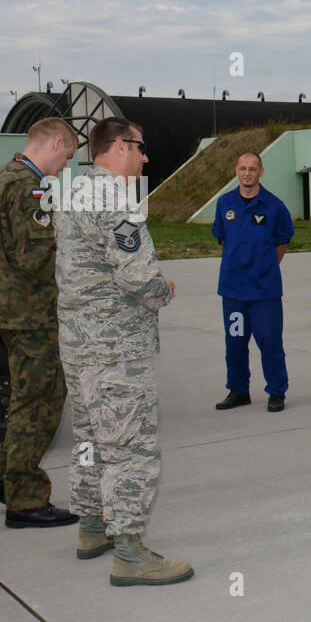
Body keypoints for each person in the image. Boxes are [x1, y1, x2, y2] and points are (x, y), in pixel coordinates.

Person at [56, 117, 191, 585]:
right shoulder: (114, 198)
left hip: (78, 346)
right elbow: (136, 274)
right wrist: (163, 290)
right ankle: (130, 553)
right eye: (140, 147)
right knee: (131, 449)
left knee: (92, 441)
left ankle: (92, 528)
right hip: (115, 349)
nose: (146, 157)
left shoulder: (73, 192)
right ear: (117, 147)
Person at [0, 117, 80, 528]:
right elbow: (37, 258)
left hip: (8, 307)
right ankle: (25, 499)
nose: (64, 167)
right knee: (41, 400)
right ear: (55, 142)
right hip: (30, 311)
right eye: (66, 157)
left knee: (28, 396)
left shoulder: (1, 176)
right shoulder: (30, 187)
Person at [211, 151, 294, 412]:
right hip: (234, 291)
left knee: (269, 342)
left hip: (265, 292)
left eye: (253, 169)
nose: (247, 173)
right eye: (243, 168)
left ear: (261, 172)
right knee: (235, 342)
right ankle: (238, 390)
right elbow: (223, 239)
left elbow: (282, 243)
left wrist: (263, 267)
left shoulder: (274, 206)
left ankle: (276, 392)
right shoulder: (225, 203)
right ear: (236, 170)